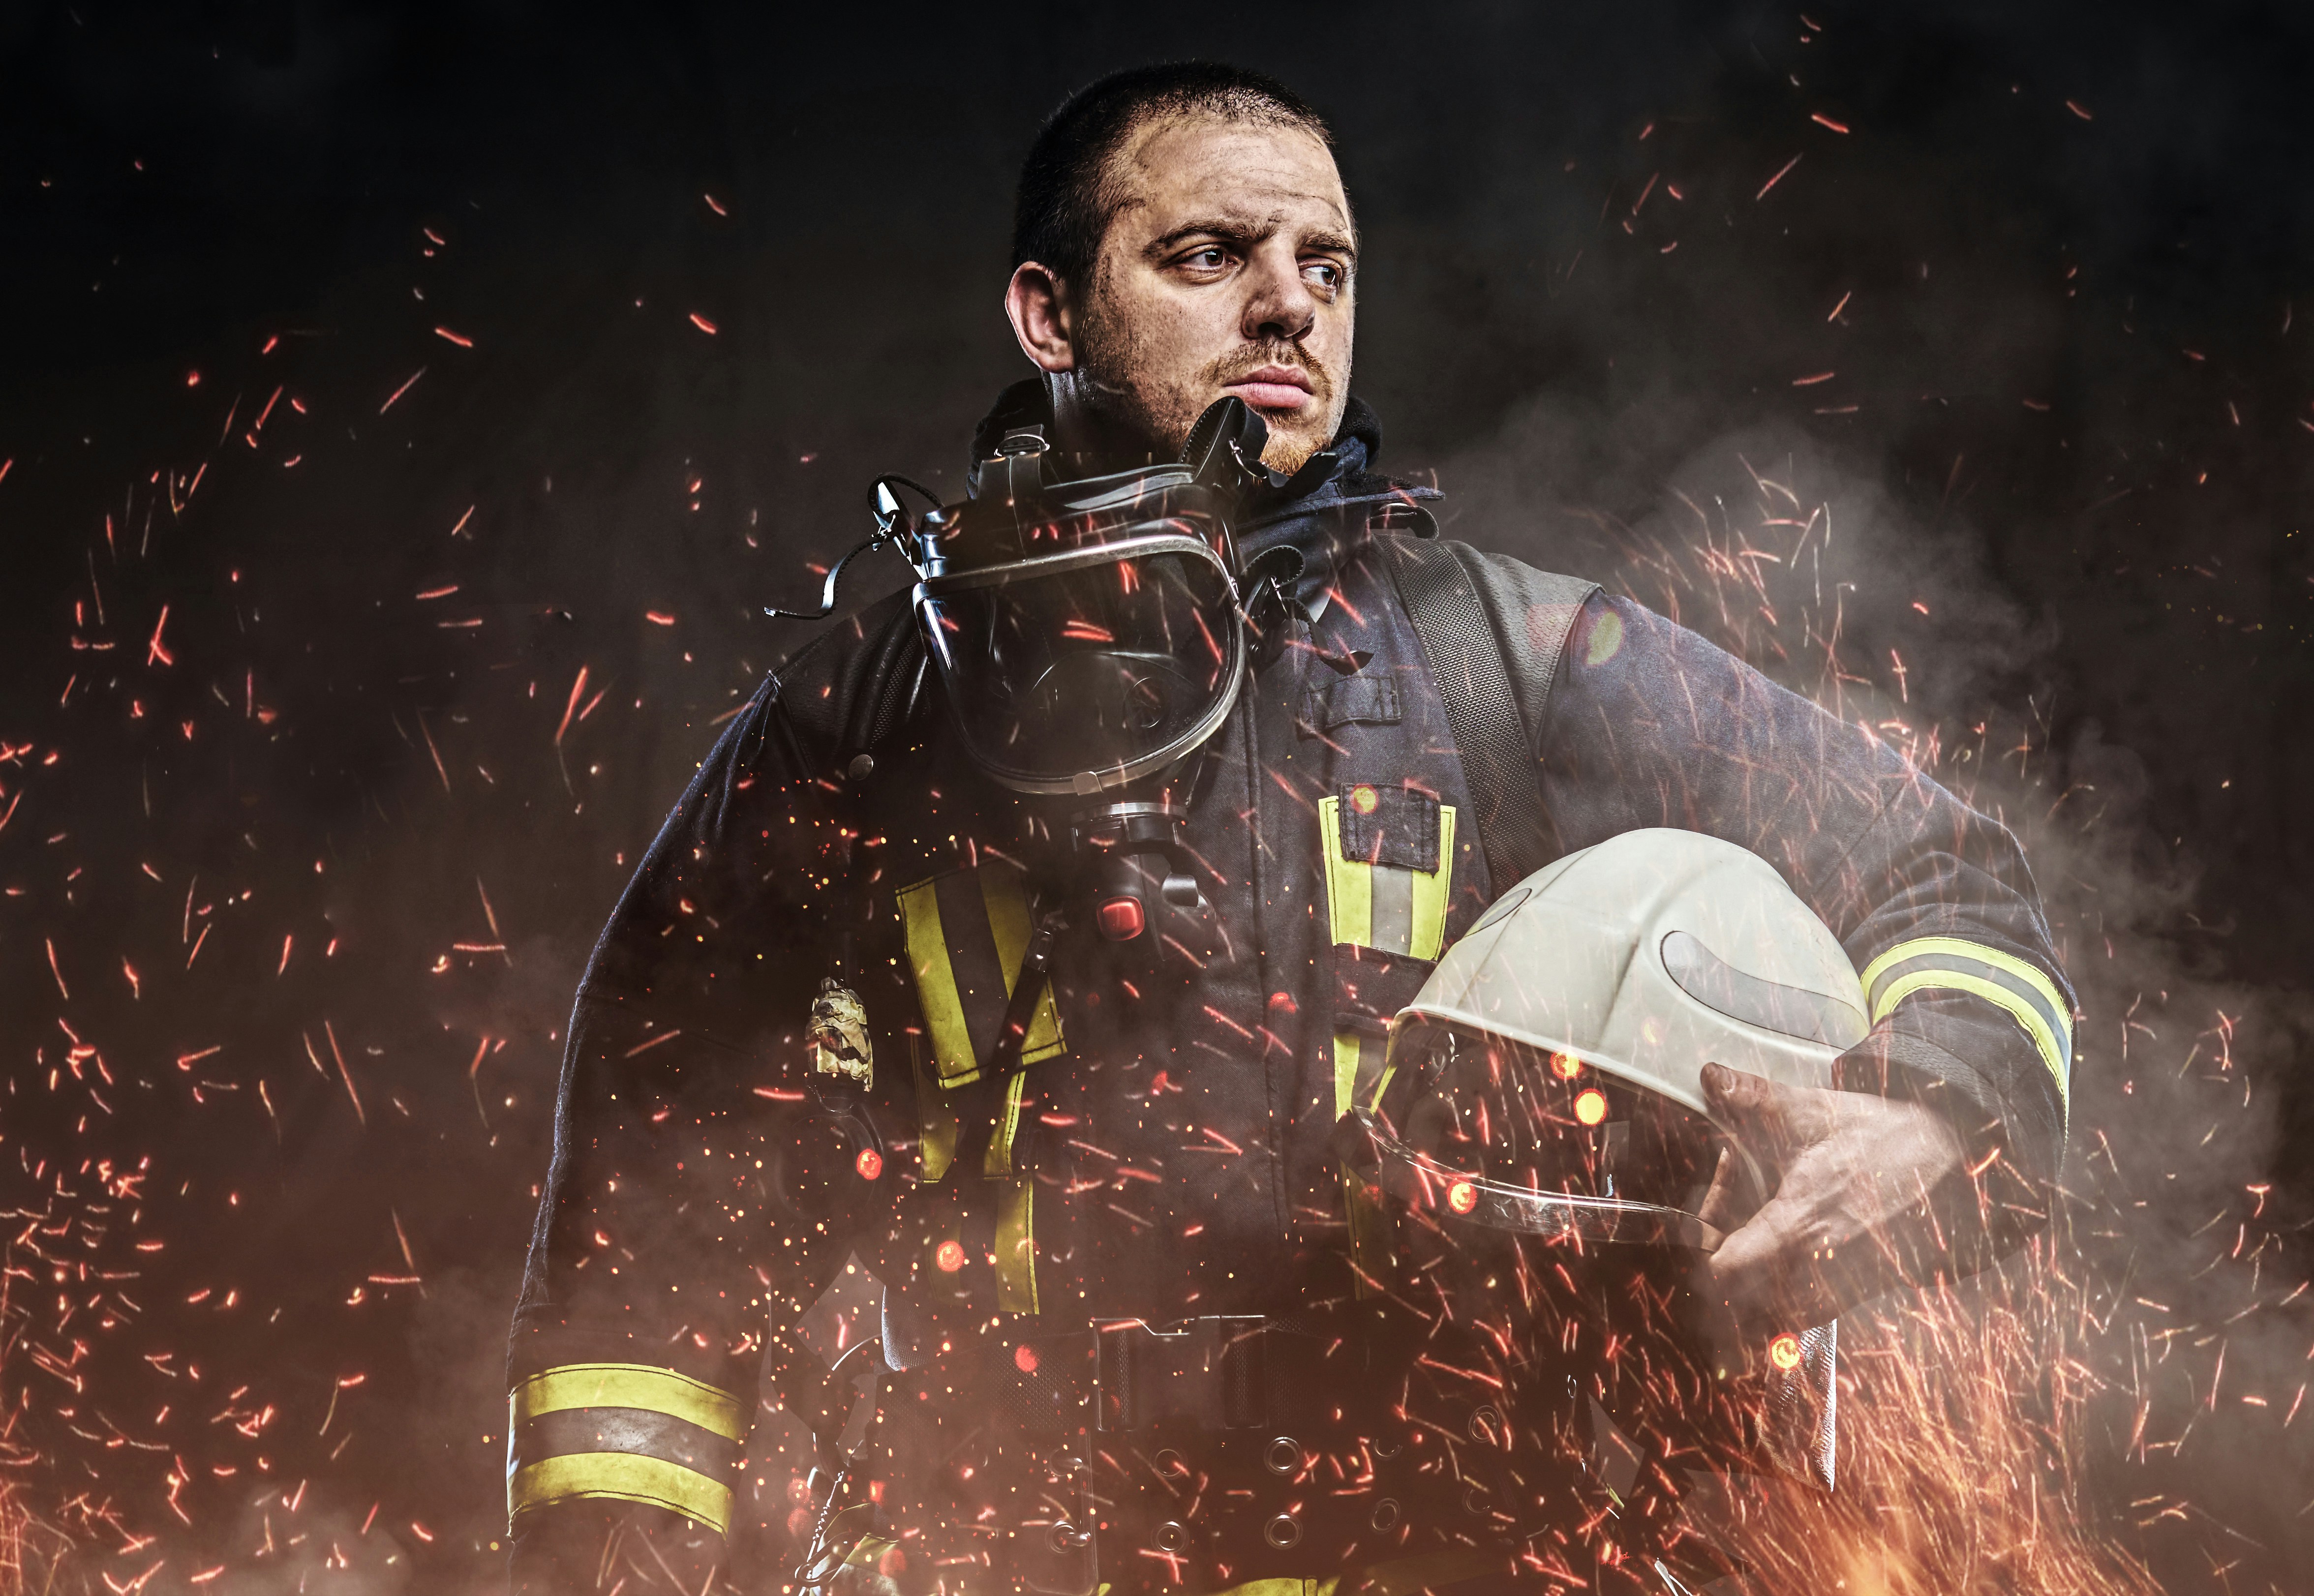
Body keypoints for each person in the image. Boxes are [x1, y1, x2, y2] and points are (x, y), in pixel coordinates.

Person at [504, 62, 2074, 1596]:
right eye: (1208, 255)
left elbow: (1944, 863)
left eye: (1324, 263)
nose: (1288, 305)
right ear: (1050, 313)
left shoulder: (1502, 659)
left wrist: (1933, 1108)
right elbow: (646, 1214)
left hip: (1440, 1544)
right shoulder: (866, 724)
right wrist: (618, 1555)